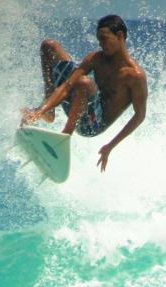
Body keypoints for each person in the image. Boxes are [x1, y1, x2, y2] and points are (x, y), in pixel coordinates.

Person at [21, 15, 147, 172]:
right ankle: (48, 110)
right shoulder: (95, 59)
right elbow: (67, 86)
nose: (101, 44)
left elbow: (139, 116)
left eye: (104, 39)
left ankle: (63, 137)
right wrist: (40, 111)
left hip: (92, 125)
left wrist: (110, 146)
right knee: (49, 46)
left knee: (84, 83)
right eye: (99, 40)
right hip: (79, 105)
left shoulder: (135, 76)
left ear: (120, 36)